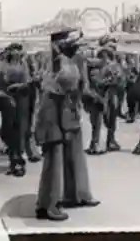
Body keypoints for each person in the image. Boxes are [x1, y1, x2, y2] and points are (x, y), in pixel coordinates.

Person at [33, 29, 99, 221]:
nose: (77, 47)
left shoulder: (74, 60)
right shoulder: (55, 62)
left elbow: (80, 87)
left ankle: (77, 194)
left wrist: (89, 98)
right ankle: (47, 205)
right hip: (53, 111)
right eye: (73, 44)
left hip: (69, 110)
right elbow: (53, 89)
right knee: (55, 156)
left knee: (74, 152)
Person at [0, 43, 37, 175]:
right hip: (8, 98)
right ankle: (14, 159)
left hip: (22, 98)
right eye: (14, 50)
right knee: (8, 129)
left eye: (18, 50)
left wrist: (20, 85)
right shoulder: (3, 65)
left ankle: (18, 161)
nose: (16, 53)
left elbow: (28, 80)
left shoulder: (23, 64)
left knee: (20, 130)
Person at [124, 54, 140, 122]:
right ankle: (133, 114)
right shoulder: (127, 68)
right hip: (130, 86)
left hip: (133, 86)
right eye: (129, 59)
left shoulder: (133, 68)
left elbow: (135, 76)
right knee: (132, 102)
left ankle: (136, 113)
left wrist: (130, 78)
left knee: (135, 102)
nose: (131, 61)